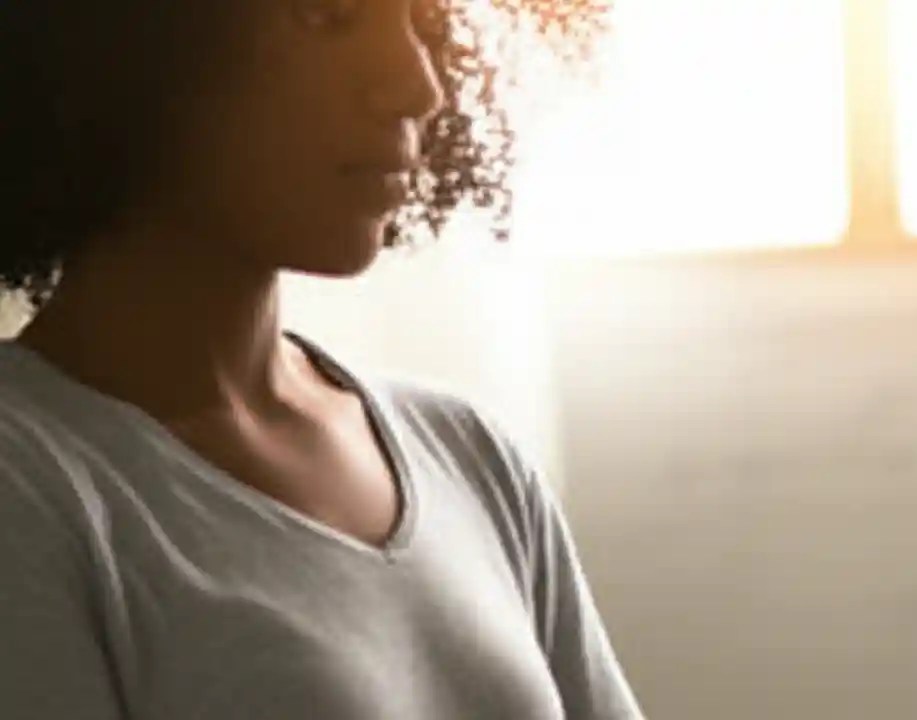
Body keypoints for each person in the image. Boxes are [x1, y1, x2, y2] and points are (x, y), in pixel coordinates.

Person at [0, 0, 643, 718]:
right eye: (326, 18)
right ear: (122, 44)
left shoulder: (470, 456)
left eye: (424, 23)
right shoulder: (29, 486)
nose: (415, 84)